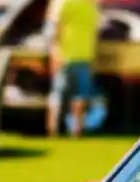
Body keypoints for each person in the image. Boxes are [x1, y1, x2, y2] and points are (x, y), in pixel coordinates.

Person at [46, 0, 100, 138]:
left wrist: (55, 51)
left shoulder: (68, 3)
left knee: (67, 94)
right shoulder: (86, 5)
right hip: (75, 56)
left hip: (75, 56)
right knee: (73, 94)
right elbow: (55, 28)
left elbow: (54, 27)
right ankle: (66, 129)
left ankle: (64, 130)